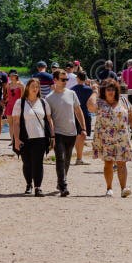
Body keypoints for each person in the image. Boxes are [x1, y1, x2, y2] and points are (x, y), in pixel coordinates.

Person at [89, 79, 132, 198]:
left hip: (122, 137)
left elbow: (131, 118)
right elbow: (90, 107)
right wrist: (95, 91)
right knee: (108, 163)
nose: (111, 92)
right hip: (105, 138)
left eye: (113, 89)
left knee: (122, 163)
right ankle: (109, 188)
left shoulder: (123, 100)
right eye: (108, 89)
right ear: (103, 91)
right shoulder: (99, 102)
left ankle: (123, 188)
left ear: (116, 90)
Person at [46, 69, 87, 197]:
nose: (65, 82)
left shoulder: (72, 94)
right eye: (63, 79)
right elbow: (48, 118)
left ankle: (60, 181)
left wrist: (83, 128)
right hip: (58, 133)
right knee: (60, 158)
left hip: (72, 132)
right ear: (55, 80)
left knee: (67, 160)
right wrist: (51, 135)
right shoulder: (49, 98)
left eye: (66, 80)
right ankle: (63, 186)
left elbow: (78, 111)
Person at [11, 78, 54, 197]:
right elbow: (16, 123)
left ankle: (38, 187)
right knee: (27, 163)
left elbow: (49, 120)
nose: (35, 89)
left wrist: (53, 136)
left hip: (40, 137)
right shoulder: (20, 103)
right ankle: (29, 184)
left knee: (38, 163)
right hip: (25, 138)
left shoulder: (44, 102)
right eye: (32, 87)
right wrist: (16, 139)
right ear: (27, 88)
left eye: (37, 87)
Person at [71, 71, 93, 164]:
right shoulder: (89, 89)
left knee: (77, 136)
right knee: (83, 136)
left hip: (75, 114)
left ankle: (78, 157)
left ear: (77, 78)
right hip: (86, 113)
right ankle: (79, 158)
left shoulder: (72, 90)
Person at [4, 69, 24, 149]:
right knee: (10, 124)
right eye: (10, 75)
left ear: (16, 76)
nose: (12, 77)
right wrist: (4, 103)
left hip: (18, 106)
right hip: (9, 105)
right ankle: (12, 140)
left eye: (13, 75)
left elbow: (23, 97)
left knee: (18, 123)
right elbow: (8, 97)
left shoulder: (21, 85)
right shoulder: (8, 85)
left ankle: (18, 139)